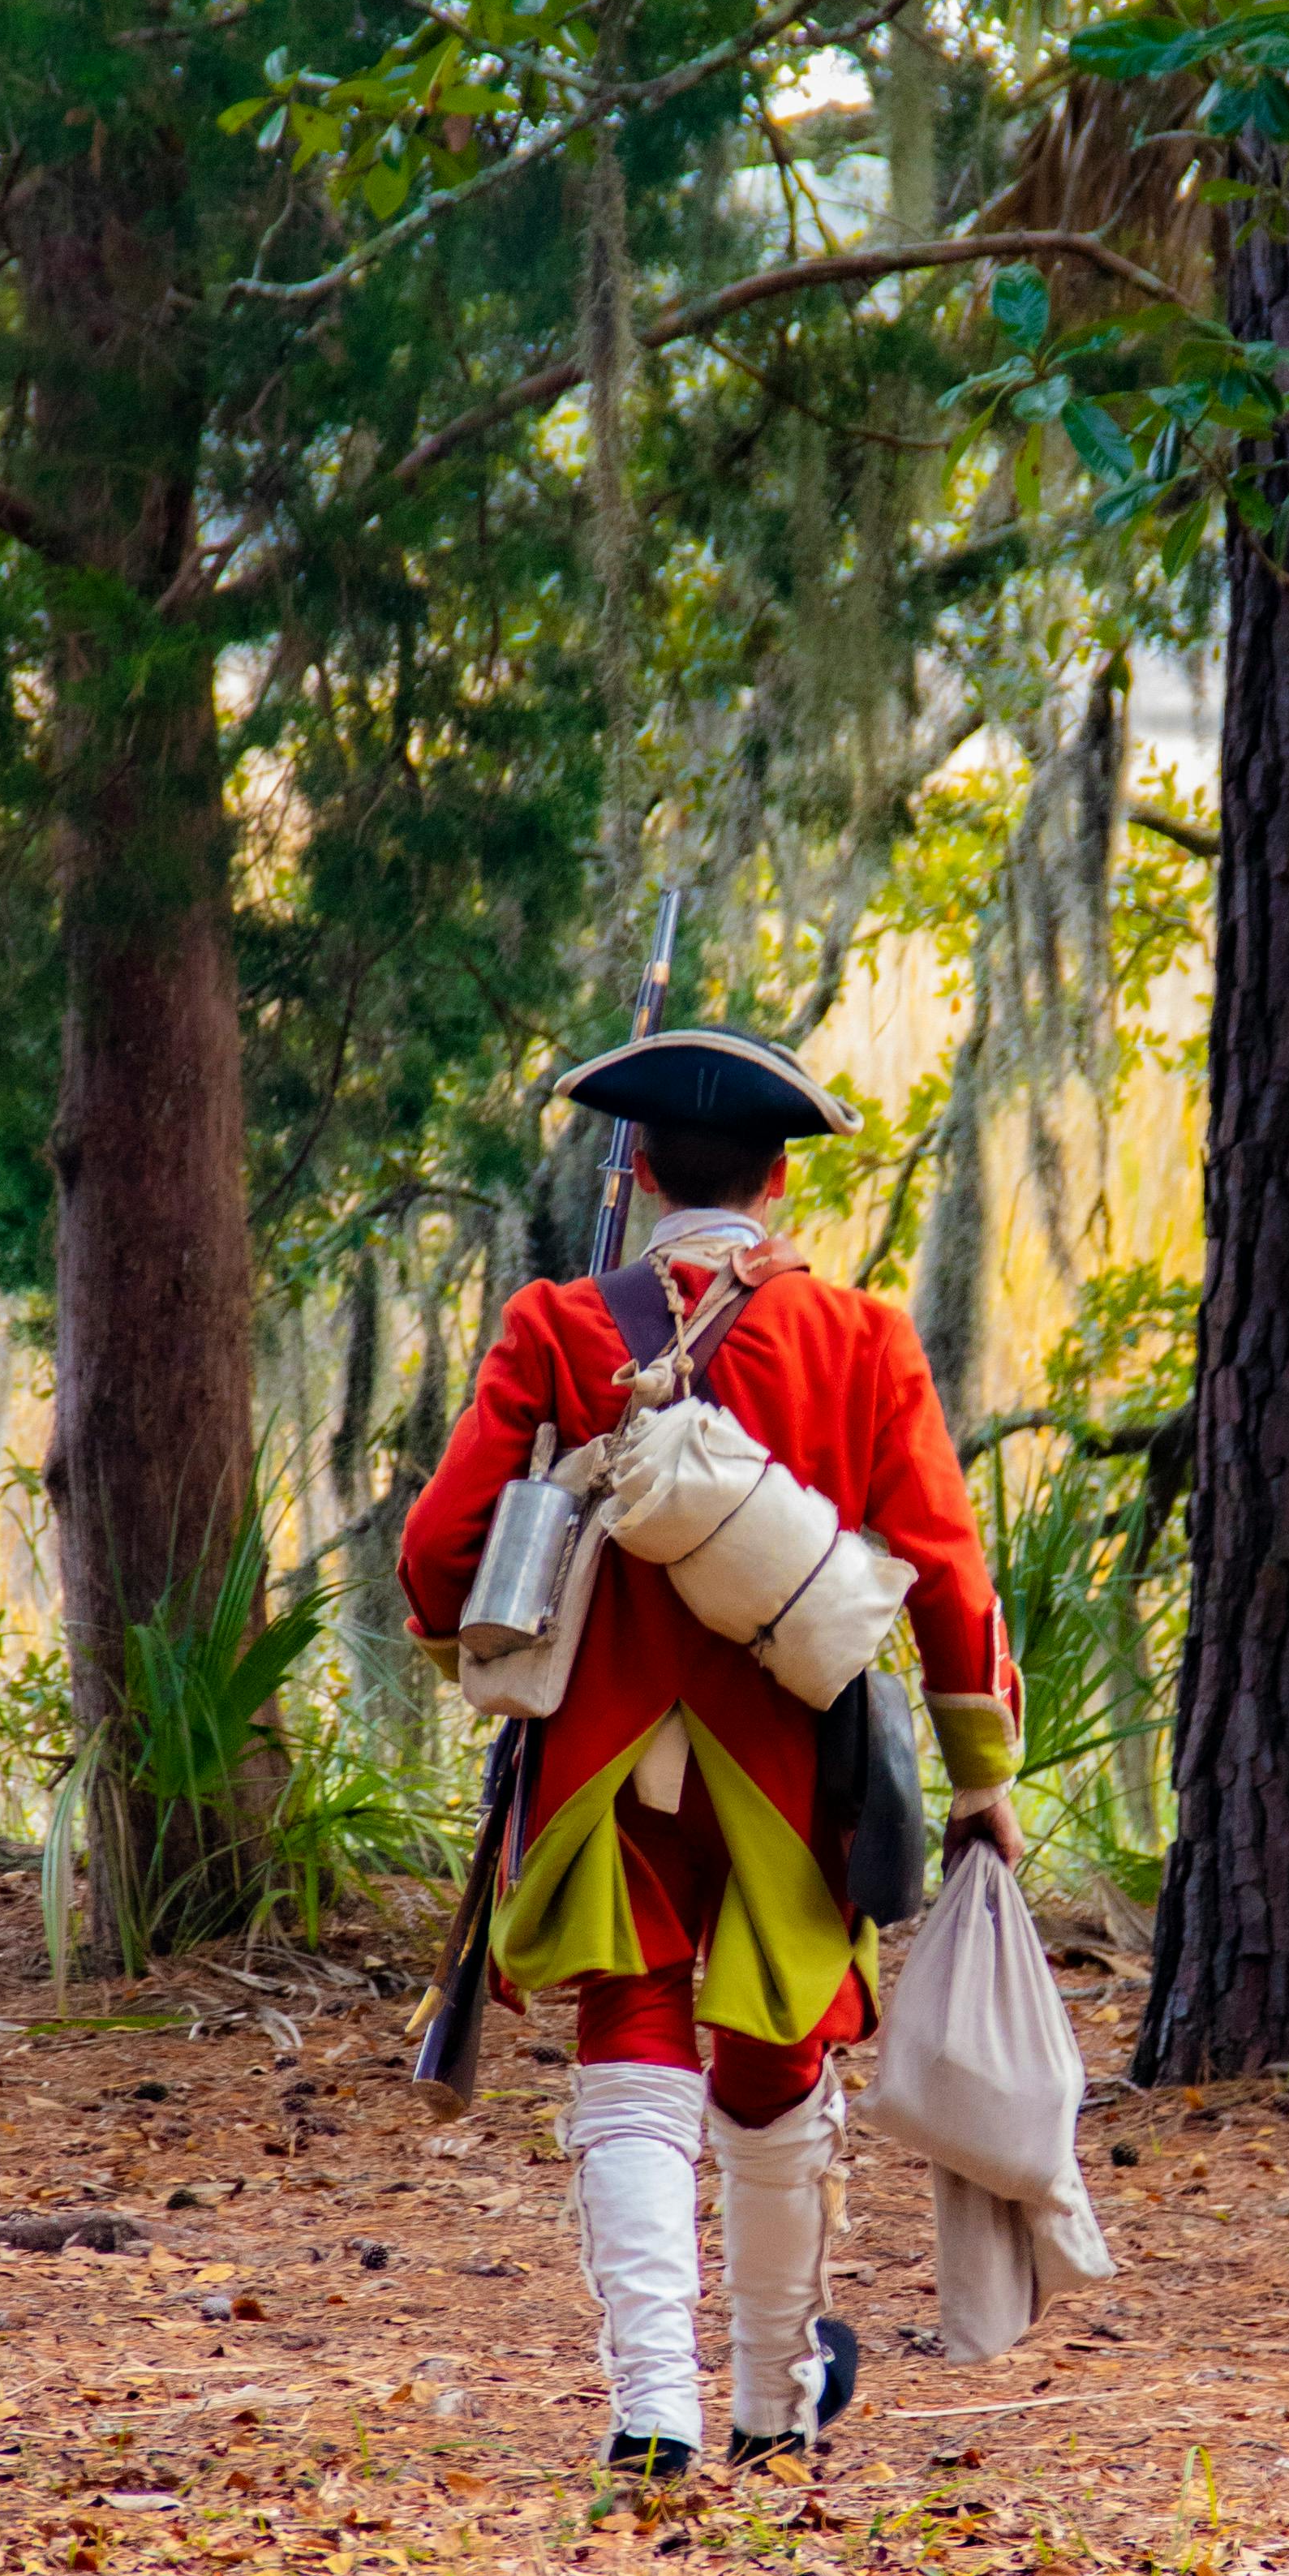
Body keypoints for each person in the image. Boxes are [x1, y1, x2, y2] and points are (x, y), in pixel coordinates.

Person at [400, 1024, 1021, 2484]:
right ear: (779, 1172)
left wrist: (482, 1651)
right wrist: (980, 1776)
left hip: (603, 1751)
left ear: (641, 1167)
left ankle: (651, 2411)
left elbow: (440, 1552)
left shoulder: (561, 1324)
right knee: (775, 2055)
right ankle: (770, 2400)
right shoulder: (862, 1337)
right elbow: (944, 1569)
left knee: (629, 2035)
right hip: (791, 1760)